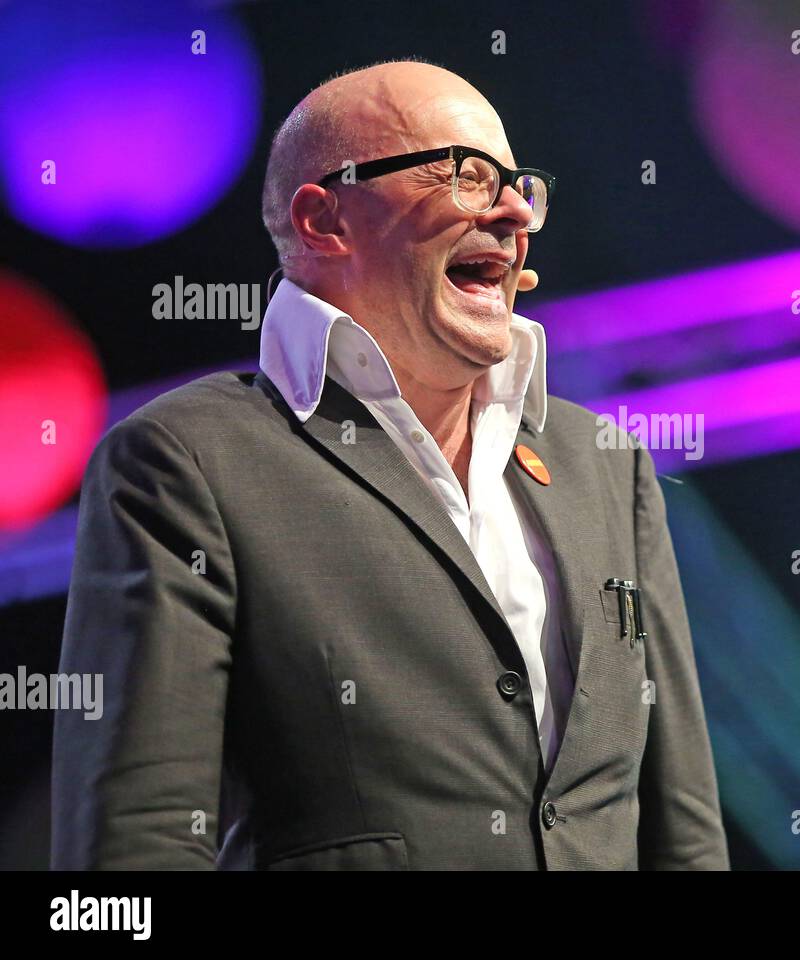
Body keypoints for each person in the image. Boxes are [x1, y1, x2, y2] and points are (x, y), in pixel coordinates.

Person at [51, 59, 728, 870]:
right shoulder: (189, 459)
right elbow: (134, 845)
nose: (516, 212)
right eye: (468, 178)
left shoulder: (603, 464)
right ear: (324, 220)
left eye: (519, 185)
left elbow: (684, 831)